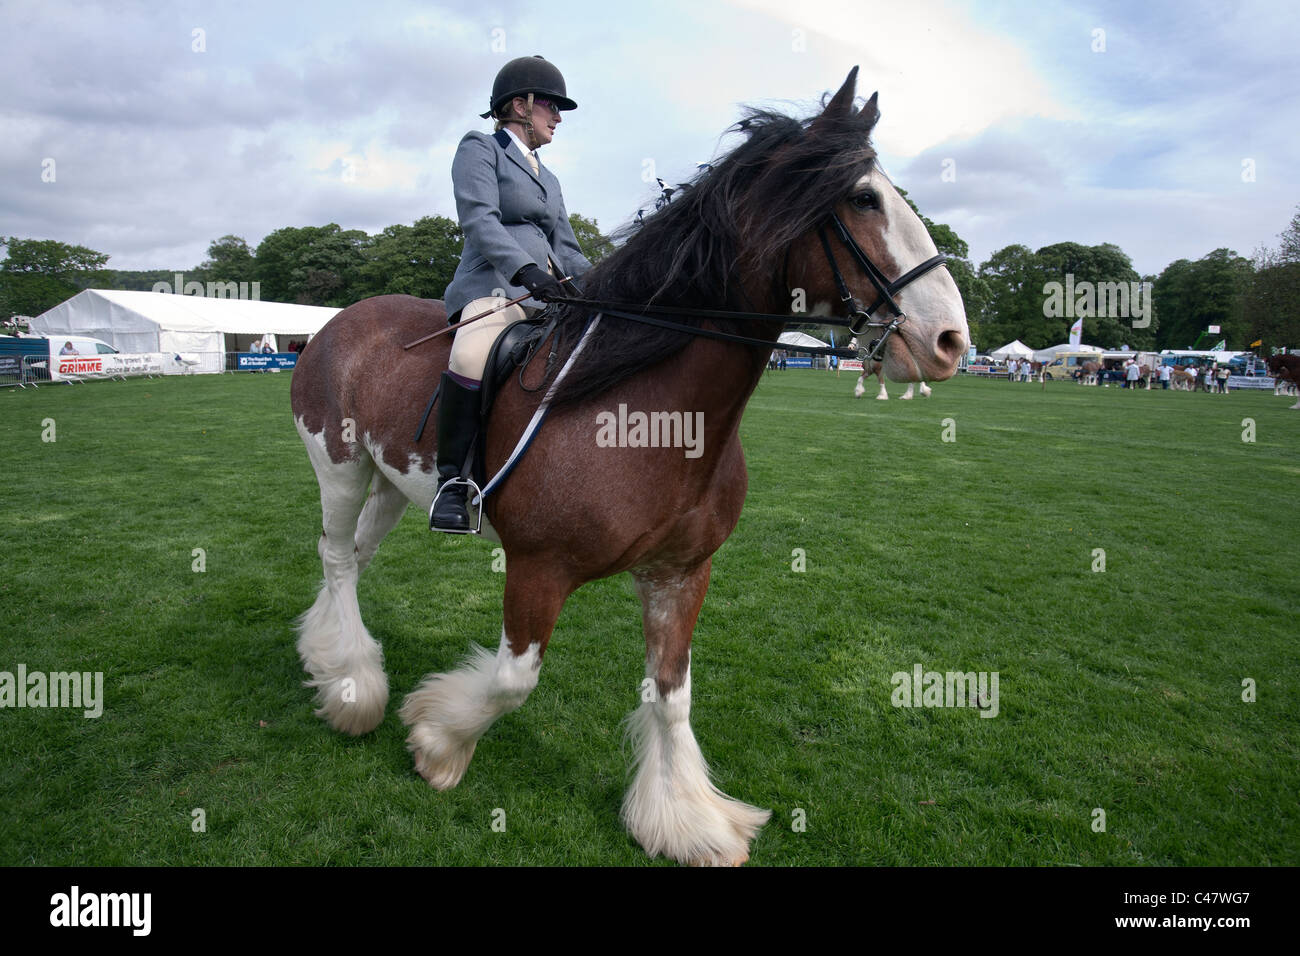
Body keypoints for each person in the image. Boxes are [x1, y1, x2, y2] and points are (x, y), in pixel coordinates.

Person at [432, 55, 592, 532]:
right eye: (551, 106)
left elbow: (569, 248)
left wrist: (608, 286)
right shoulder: (480, 149)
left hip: (549, 297)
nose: (558, 118)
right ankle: (452, 485)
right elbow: (479, 219)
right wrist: (525, 270)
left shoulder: (552, 179)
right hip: (495, 290)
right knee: (470, 353)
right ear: (520, 105)